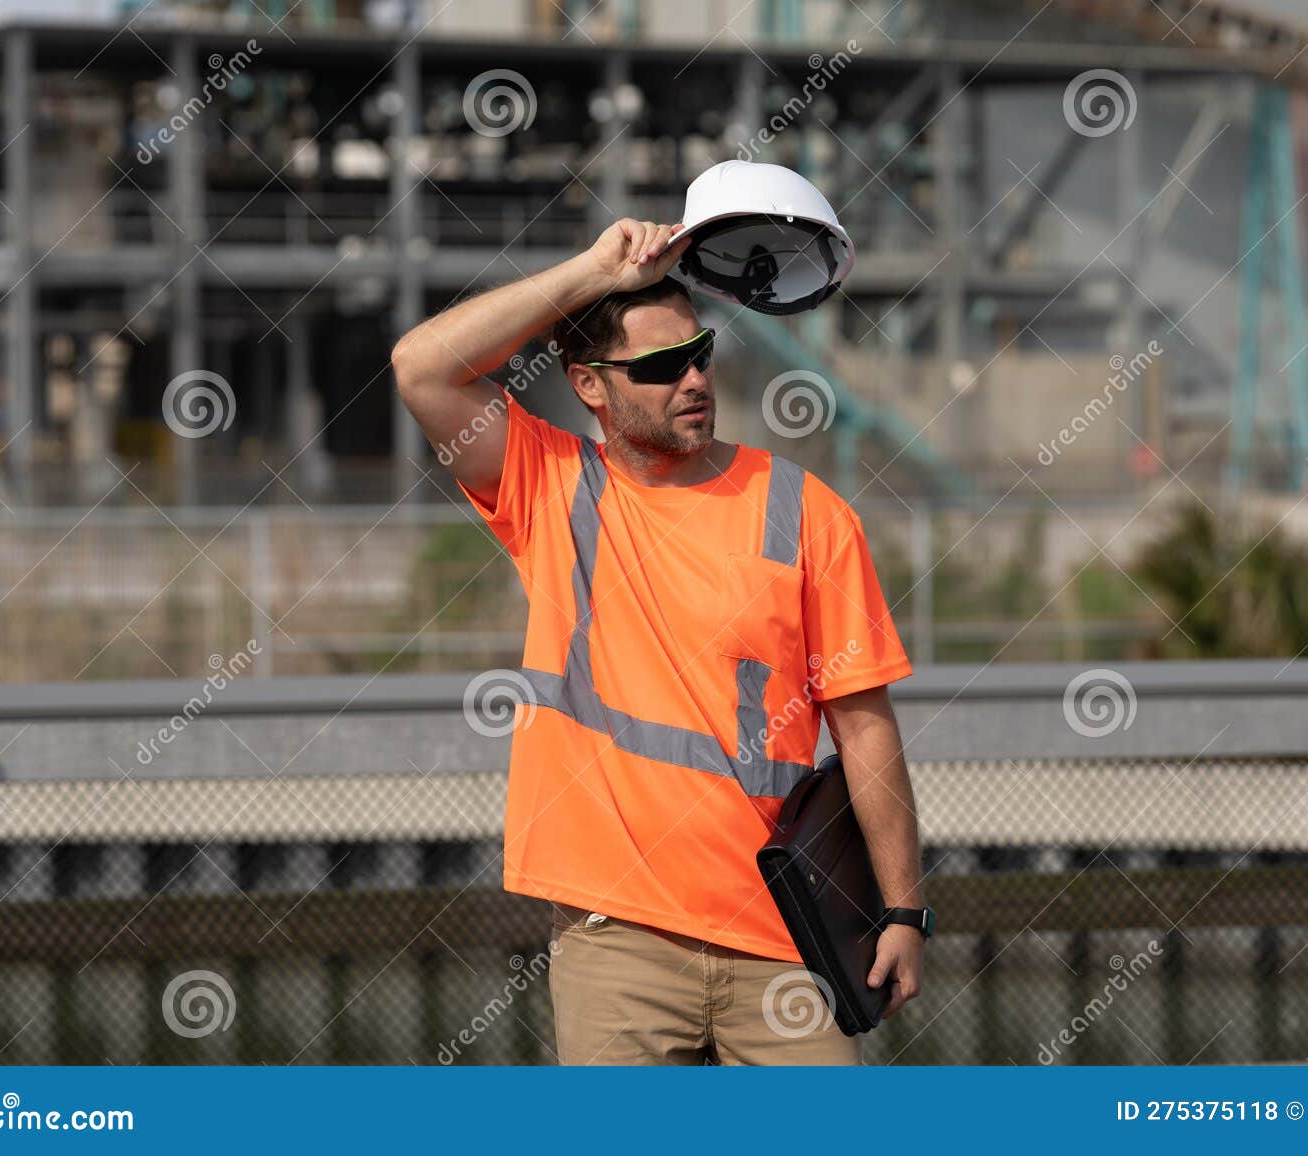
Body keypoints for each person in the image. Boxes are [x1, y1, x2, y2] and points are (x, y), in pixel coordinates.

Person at [392, 218, 926, 1065]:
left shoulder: (808, 513)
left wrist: (902, 909)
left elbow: (865, 724)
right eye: (657, 366)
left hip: (786, 941)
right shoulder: (552, 486)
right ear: (590, 387)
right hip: (618, 945)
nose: (692, 379)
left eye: (700, 353)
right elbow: (422, 368)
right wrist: (589, 269)